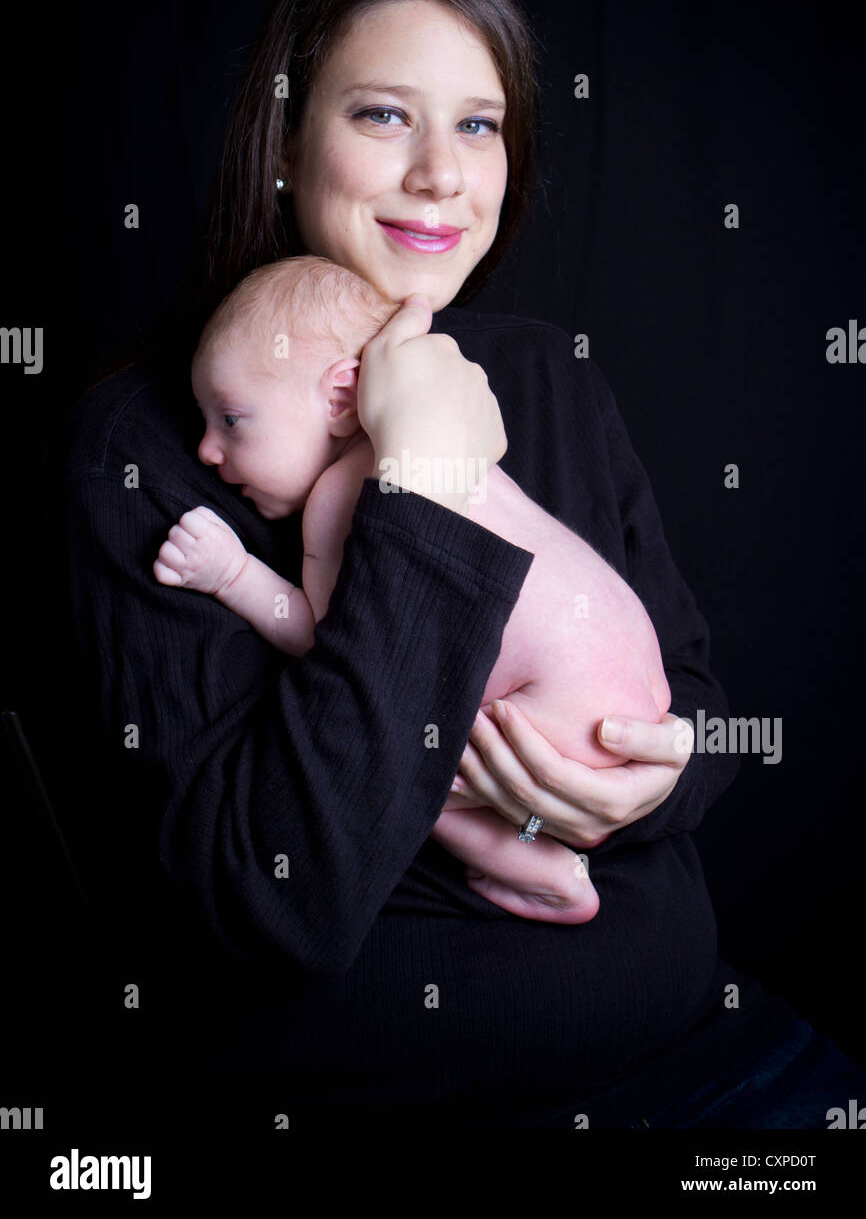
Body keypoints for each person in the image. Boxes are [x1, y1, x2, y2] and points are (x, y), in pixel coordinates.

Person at [61, 0, 865, 1129]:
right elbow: (284, 897)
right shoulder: (155, 442)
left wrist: (640, 786)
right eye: (384, 115)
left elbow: (702, 701)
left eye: (477, 124)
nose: (443, 173)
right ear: (285, 146)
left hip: (709, 1062)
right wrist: (421, 481)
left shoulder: (548, 378)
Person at [152, 252, 676, 925]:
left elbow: (332, 640)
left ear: (341, 397)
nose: (206, 450)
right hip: (637, 697)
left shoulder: (346, 494)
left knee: (407, 766)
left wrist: (230, 573)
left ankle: (543, 869)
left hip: (558, 715)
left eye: (230, 419)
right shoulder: (458, 447)